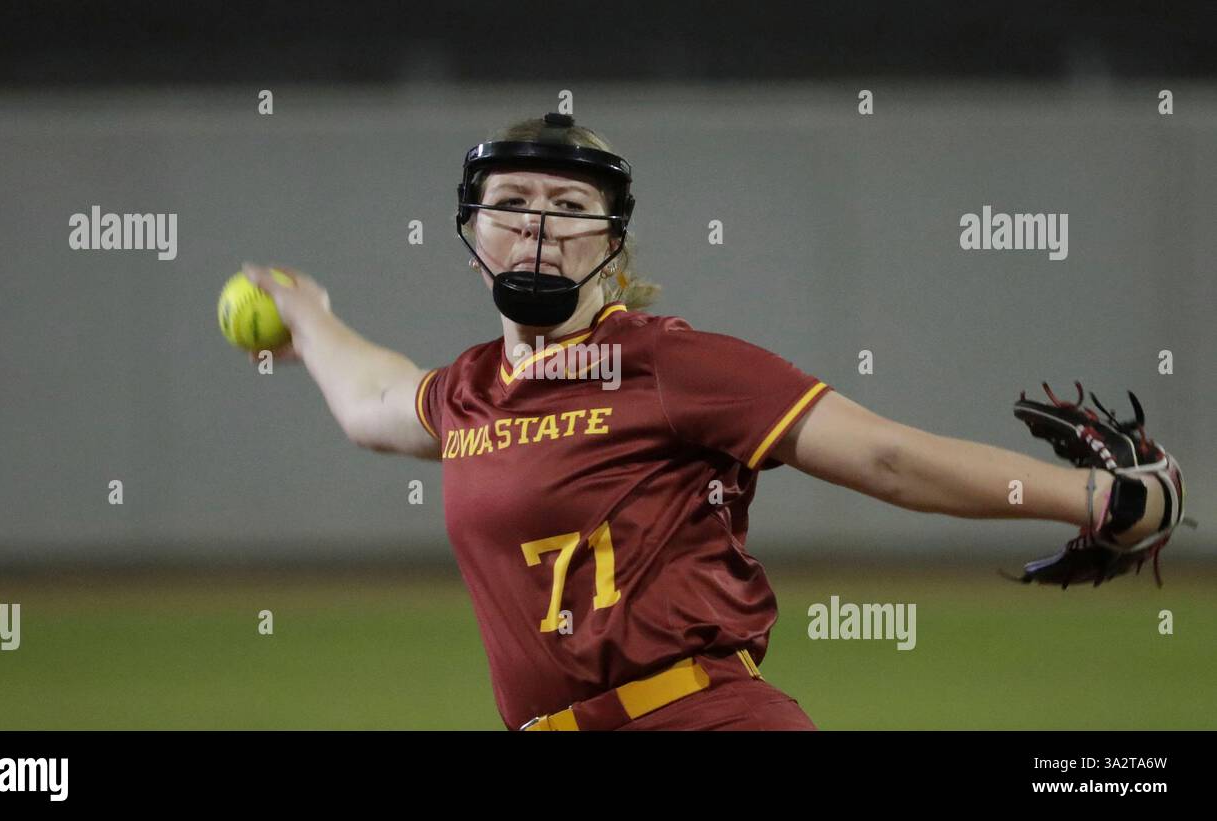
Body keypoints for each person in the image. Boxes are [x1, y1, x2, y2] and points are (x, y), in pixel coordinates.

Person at [242, 112, 1182, 731]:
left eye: (570, 206)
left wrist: (1100, 497)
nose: (537, 224)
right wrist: (310, 318)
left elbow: (888, 457)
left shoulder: (669, 365)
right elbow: (372, 403)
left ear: (612, 246)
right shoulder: (472, 391)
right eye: (512, 202)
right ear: (470, 233)